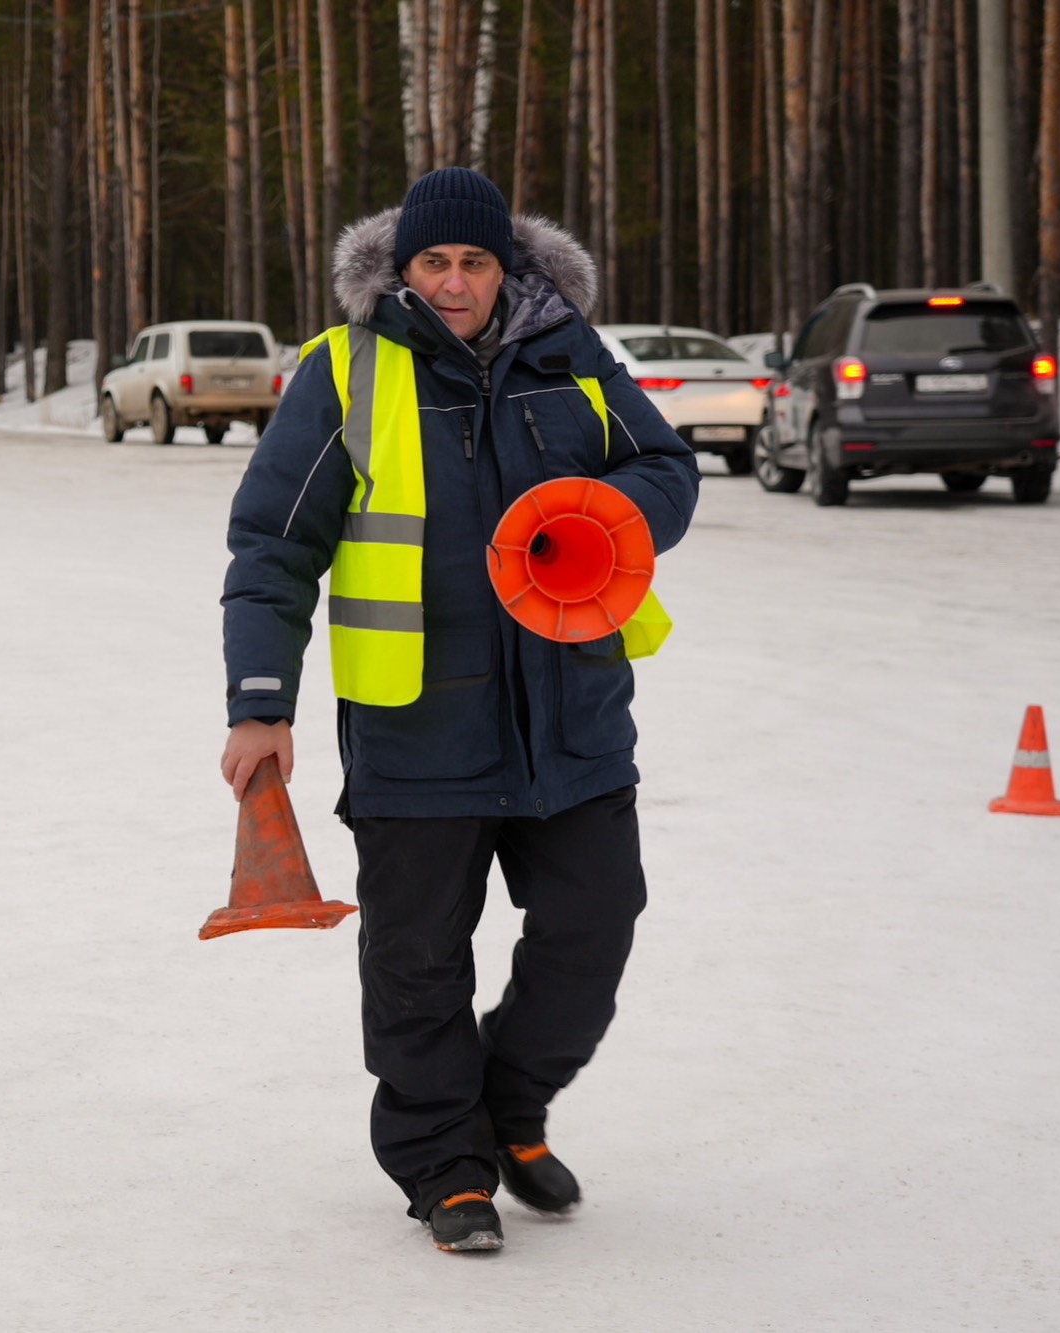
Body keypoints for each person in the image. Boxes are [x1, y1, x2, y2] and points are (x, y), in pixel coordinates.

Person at [219, 167, 700, 1253]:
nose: (450, 281)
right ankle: (446, 1166)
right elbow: (273, 548)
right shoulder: (345, 371)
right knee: (416, 960)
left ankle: (510, 1106)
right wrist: (260, 701)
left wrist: (605, 513)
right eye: (430, 261)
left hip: (570, 720)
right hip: (414, 730)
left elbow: (665, 468)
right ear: (400, 269)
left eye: (472, 261)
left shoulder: (570, 356)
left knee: (595, 922)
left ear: (506, 267)